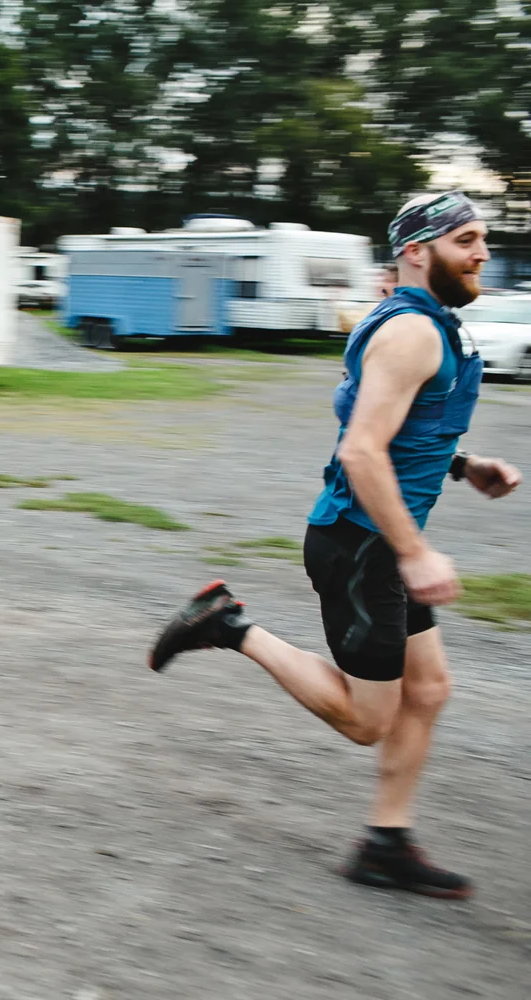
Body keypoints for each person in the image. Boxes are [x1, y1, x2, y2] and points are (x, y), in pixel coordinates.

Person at [149, 191, 520, 899]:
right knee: (365, 720)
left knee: (430, 688)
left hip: (379, 543)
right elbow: (362, 451)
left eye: (482, 239)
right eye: (466, 240)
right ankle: (227, 626)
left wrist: (466, 465)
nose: (481, 253)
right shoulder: (410, 331)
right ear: (418, 251)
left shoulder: (425, 324)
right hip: (362, 548)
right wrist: (414, 553)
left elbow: (406, 431)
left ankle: (385, 843)